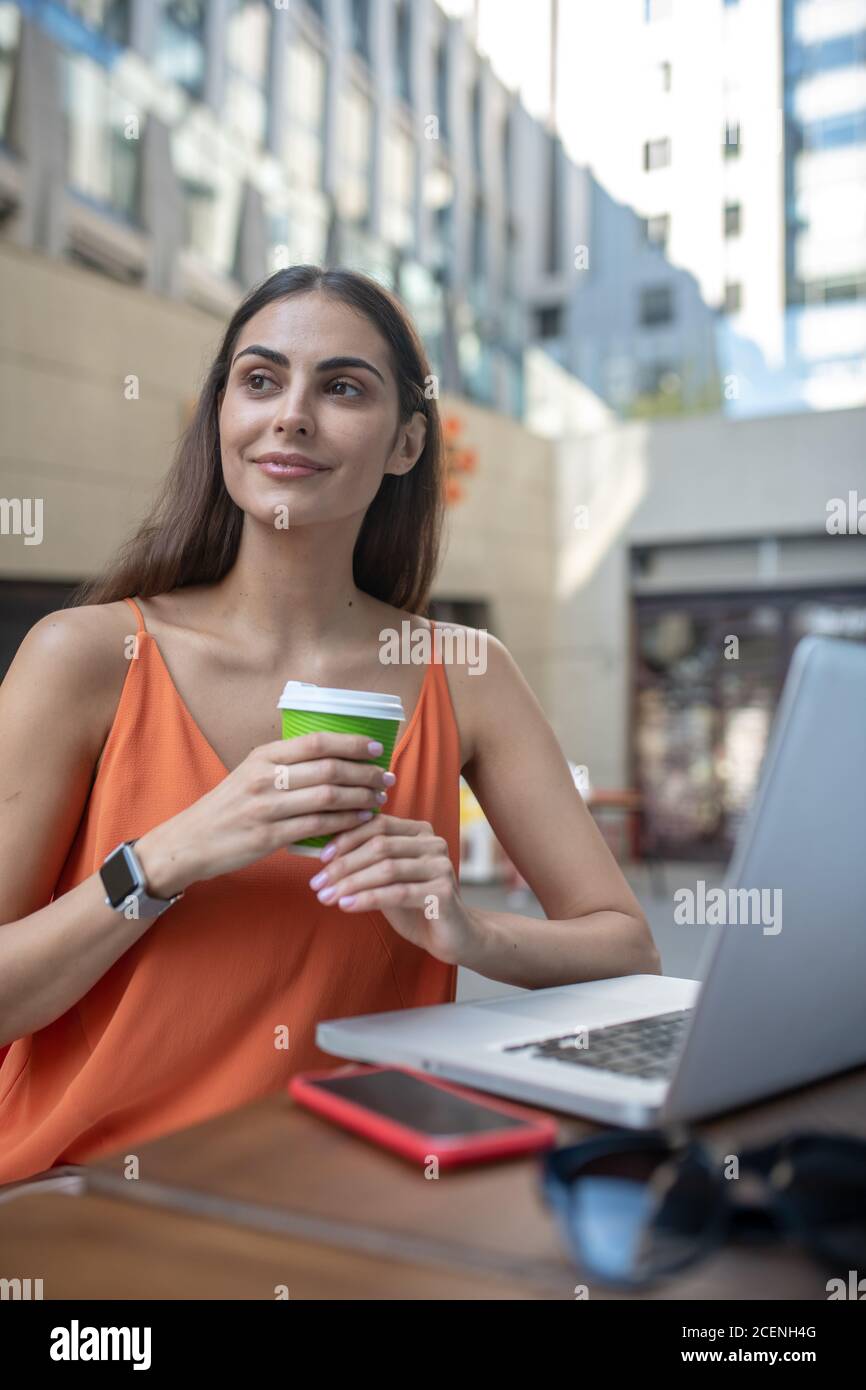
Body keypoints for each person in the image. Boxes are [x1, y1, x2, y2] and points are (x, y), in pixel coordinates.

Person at [0, 265, 659, 1185]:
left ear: (404, 443)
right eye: (260, 380)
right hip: (89, 1193)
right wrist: (165, 859)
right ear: (220, 417)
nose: (292, 415)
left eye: (342, 387)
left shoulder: (469, 675)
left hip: (358, 1191)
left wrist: (465, 934)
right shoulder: (80, 657)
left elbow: (625, 945)